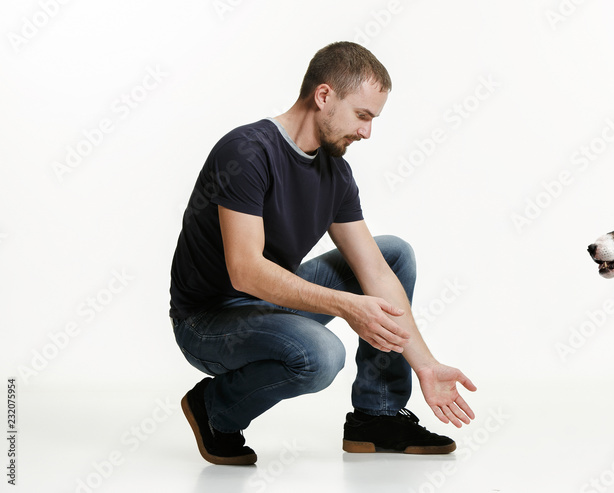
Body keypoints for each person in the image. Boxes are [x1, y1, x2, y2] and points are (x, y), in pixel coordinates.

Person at [168, 41, 476, 465]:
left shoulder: (336, 173)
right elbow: (245, 272)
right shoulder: (246, 151)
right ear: (324, 95)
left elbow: (376, 272)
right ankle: (215, 408)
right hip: (209, 320)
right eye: (362, 115)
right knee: (321, 355)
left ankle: (377, 415)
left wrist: (425, 364)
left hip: (269, 306)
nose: (367, 132)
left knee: (394, 254)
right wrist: (346, 306)